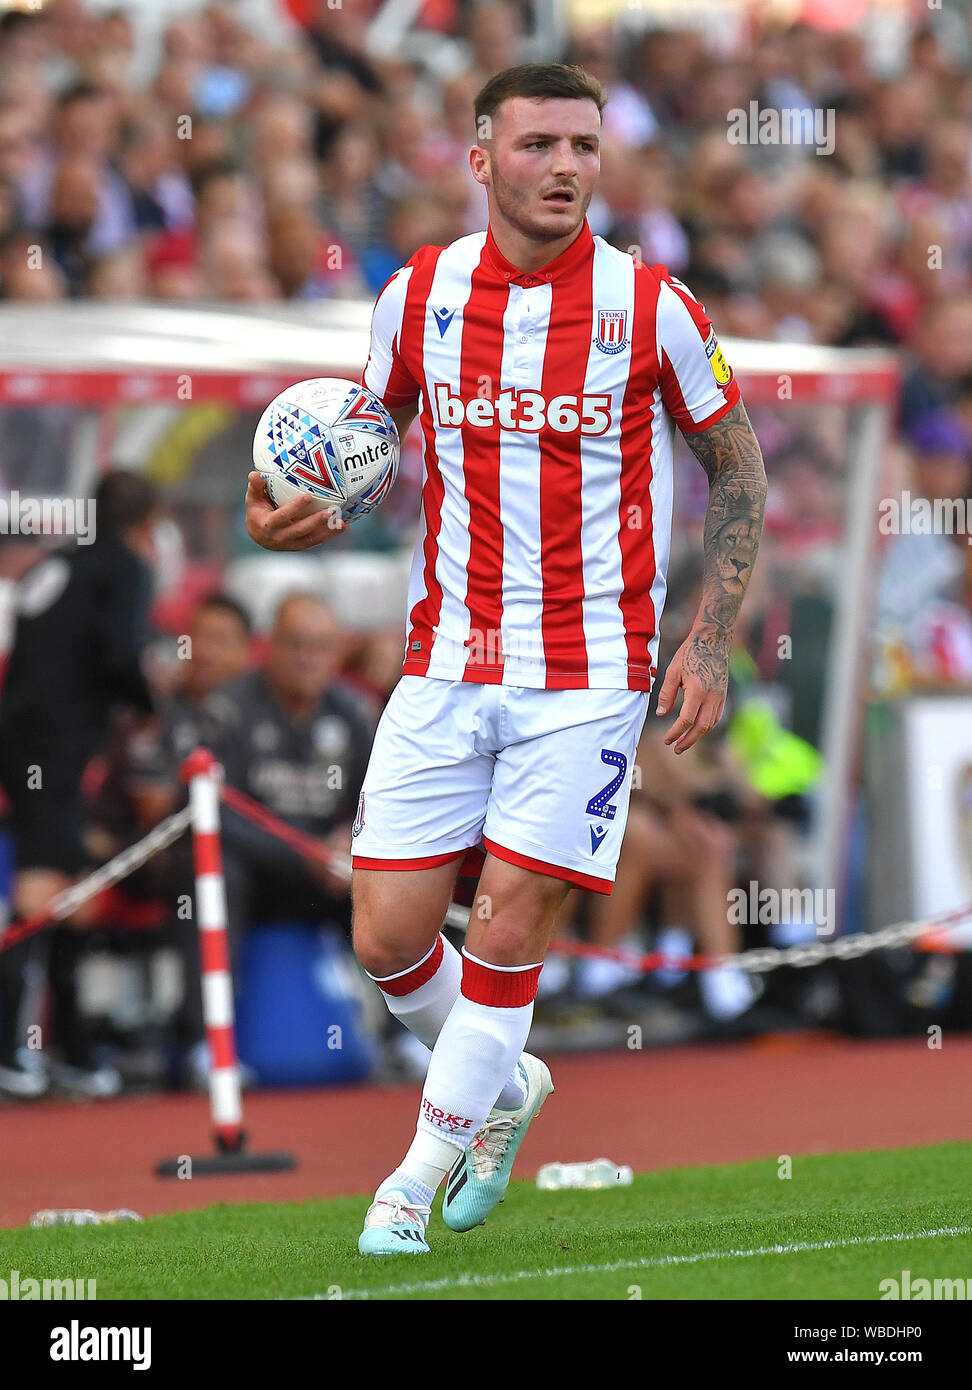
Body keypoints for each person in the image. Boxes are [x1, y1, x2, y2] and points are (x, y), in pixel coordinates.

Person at [244, 63, 767, 1256]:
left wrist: (709, 636)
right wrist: (293, 513)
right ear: (481, 159)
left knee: (511, 919)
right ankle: (504, 1088)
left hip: (591, 670)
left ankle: (408, 1182)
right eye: (537, 144)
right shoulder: (414, 296)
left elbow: (735, 465)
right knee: (385, 936)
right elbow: (355, 454)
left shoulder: (655, 308)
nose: (567, 166)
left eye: (584, 144)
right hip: (446, 659)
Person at [0, 470, 160, 1098]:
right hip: (59, 748)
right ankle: (13, 1051)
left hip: (20, 739)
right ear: (146, 520)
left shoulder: (54, 565)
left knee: (68, 893)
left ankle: (70, 1048)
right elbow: (121, 654)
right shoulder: (125, 566)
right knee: (43, 893)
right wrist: (148, 707)